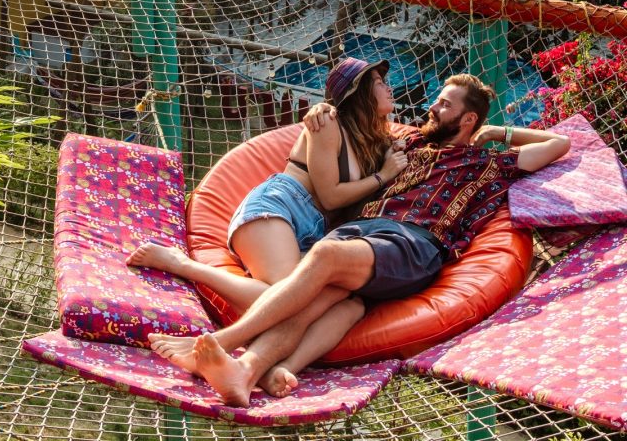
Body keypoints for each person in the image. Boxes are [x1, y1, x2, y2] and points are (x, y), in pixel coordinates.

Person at [148, 73, 571, 407]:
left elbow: (560, 143)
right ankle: (249, 371)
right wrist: (321, 111)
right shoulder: (406, 141)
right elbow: (352, 120)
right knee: (331, 298)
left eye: (444, 104)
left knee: (326, 255)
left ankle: (218, 344)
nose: (431, 106)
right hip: (363, 236)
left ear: (466, 119)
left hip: (413, 242)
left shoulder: (487, 162)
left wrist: (495, 132)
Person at [128, 56, 407, 313]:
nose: (389, 89)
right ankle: (182, 265)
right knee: (286, 297)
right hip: (280, 206)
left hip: (314, 233)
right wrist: (382, 175)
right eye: (380, 83)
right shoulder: (328, 124)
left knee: (314, 297)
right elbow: (331, 197)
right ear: (358, 93)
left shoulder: (374, 143)